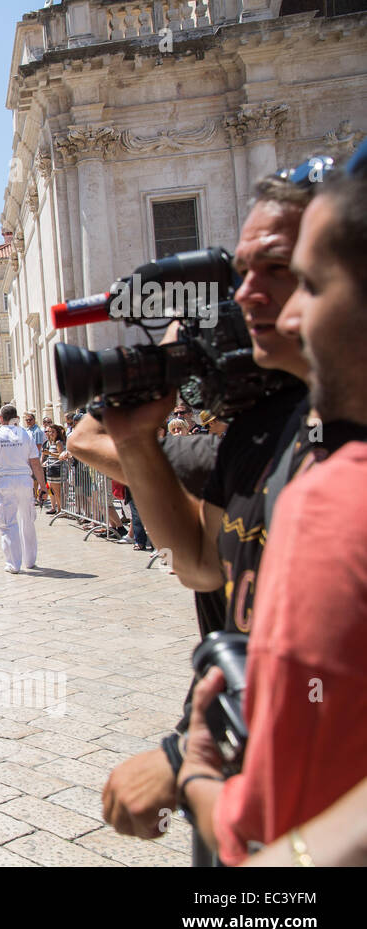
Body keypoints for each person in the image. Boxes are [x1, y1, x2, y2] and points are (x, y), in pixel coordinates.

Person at [81, 171, 316, 854]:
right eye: (241, 273)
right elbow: (204, 566)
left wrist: (183, 767)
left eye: (276, 269)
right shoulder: (259, 431)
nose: (243, 297)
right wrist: (133, 437)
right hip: (226, 784)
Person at [176, 170, 367, 865]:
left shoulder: (337, 500)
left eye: (305, 283)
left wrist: (194, 778)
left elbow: (272, 813)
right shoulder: (288, 448)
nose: (283, 314)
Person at [0, 405, 46, 574]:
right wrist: (43, 485)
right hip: (24, 479)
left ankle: (13, 563)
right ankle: (30, 560)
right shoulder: (26, 434)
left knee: (7, 523)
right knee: (27, 519)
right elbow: (35, 463)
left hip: (5, 480)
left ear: (1, 418)